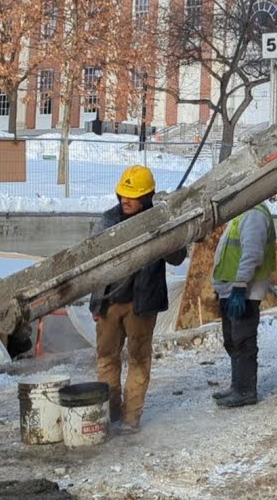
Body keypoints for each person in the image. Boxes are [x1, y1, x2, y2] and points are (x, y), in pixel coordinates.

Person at [90, 165, 185, 434]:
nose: (125, 201)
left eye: (133, 196)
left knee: (138, 359)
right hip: (110, 302)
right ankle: (110, 414)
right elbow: (90, 267)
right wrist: (95, 304)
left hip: (143, 304)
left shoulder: (158, 221)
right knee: (107, 358)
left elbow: (177, 257)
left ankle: (131, 418)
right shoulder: (107, 222)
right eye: (123, 195)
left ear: (147, 197)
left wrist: (168, 228)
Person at [210, 202, 277, 408]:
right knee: (232, 340)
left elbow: (252, 254)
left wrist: (240, 286)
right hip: (232, 289)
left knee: (243, 341)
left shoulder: (254, 215)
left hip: (244, 291)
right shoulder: (241, 213)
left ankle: (246, 390)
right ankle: (237, 385)